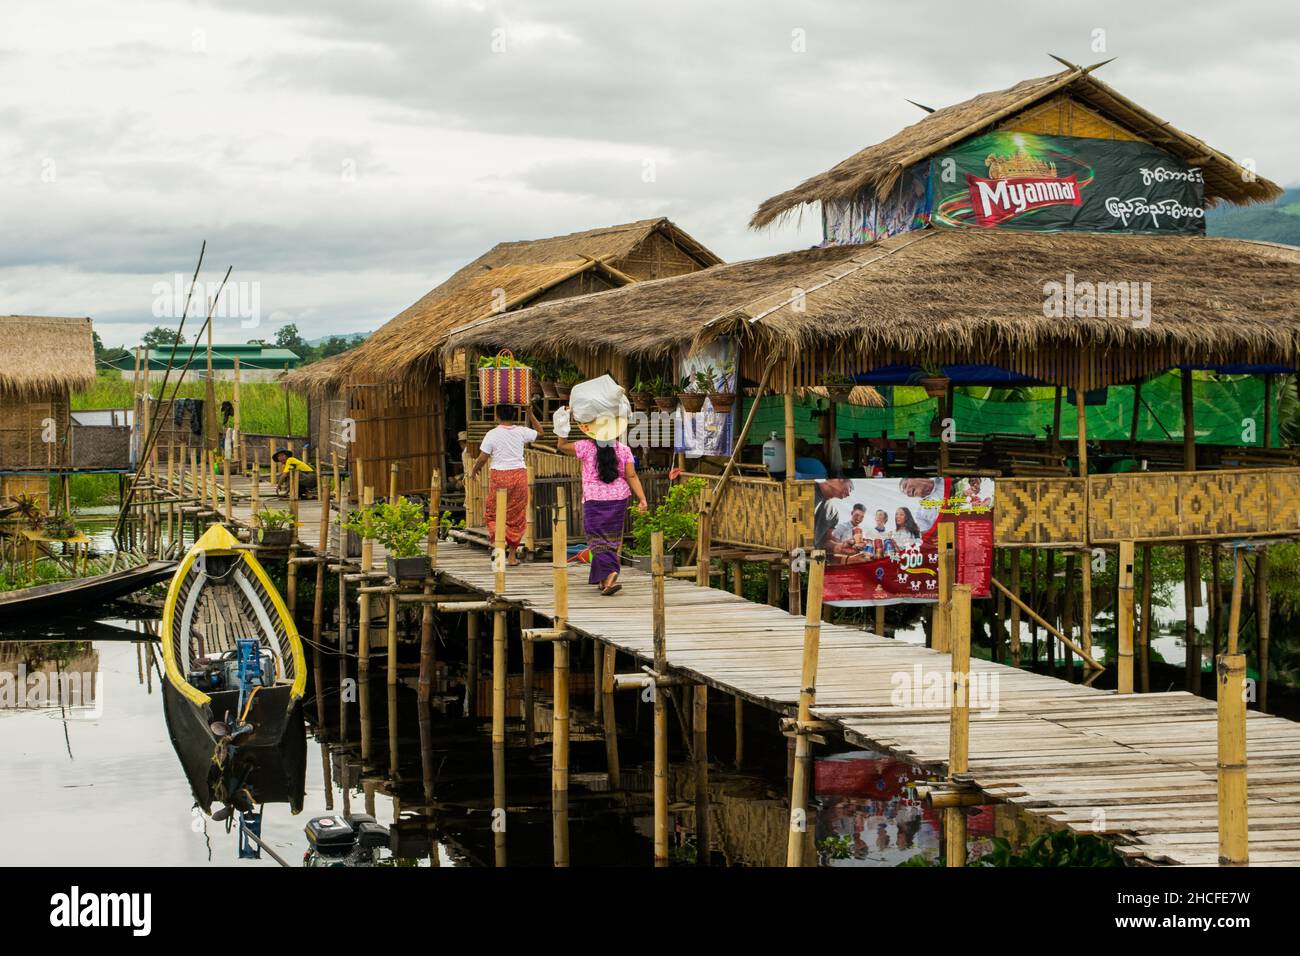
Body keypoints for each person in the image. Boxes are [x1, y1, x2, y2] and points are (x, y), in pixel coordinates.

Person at [556, 419, 648, 596]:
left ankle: (612, 571)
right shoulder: (624, 450)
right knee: (611, 540)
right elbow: (632, 475)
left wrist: (562, 423)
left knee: (596, 541)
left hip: (594, 499)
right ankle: (604, 580)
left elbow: (562, 445)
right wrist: (642, 499)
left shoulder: (585, 447)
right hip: (618, 498)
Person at [468, 405, 542, 566]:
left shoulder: (492, 434)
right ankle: (512, 557)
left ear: (496, 415)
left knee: (493, 514)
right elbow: (540, 433)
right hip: (518, 476)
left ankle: (499, 548)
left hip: (499, 476)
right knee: (516, 517)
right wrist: (530, 415)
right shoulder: (522, 431)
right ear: (515, 414)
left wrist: (474, 471)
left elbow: (482, 457)